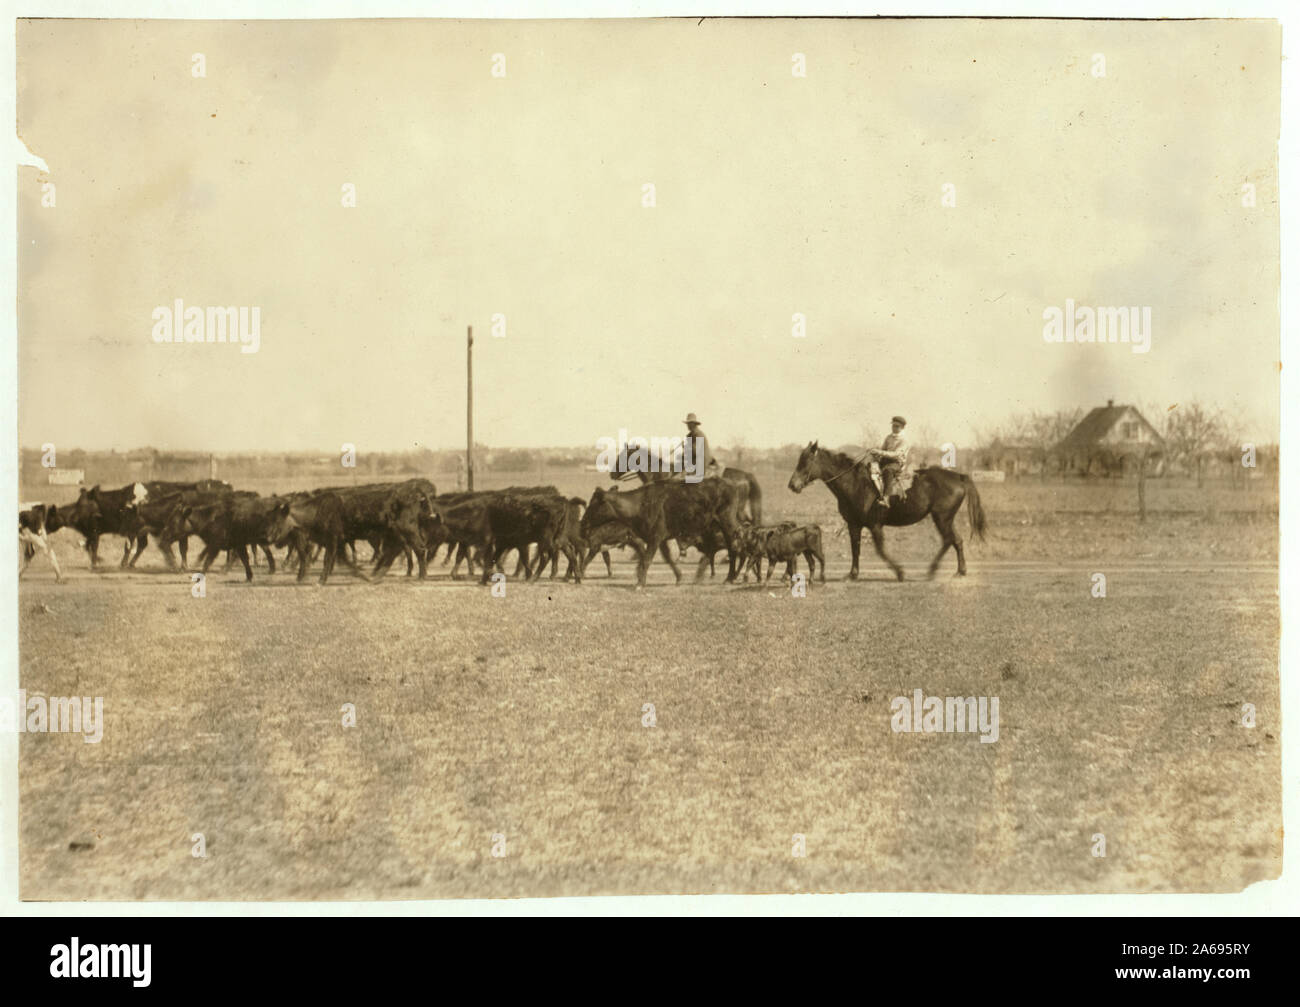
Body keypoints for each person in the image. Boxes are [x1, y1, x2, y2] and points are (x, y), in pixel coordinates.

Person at [869, 415, 911, 505]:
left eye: (897, 426)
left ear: (902, 427)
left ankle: (886, 498)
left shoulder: (904, 440)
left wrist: (880, 452)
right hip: (885, 460)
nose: (894, 428)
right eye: (893, 425)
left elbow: (896, 454)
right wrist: (875, 453)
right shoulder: (889, 437)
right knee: (868, 467)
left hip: (896, 463)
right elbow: (883, 449)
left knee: (888, 471)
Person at [681, 413, 722, 482]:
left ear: (694, 424)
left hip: (701, 464)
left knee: (682, 481)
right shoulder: (691, 435)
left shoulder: (699, 435)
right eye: (687, 423)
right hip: (695, 462)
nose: (688, 425)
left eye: (689, 423)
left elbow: (696, 452)